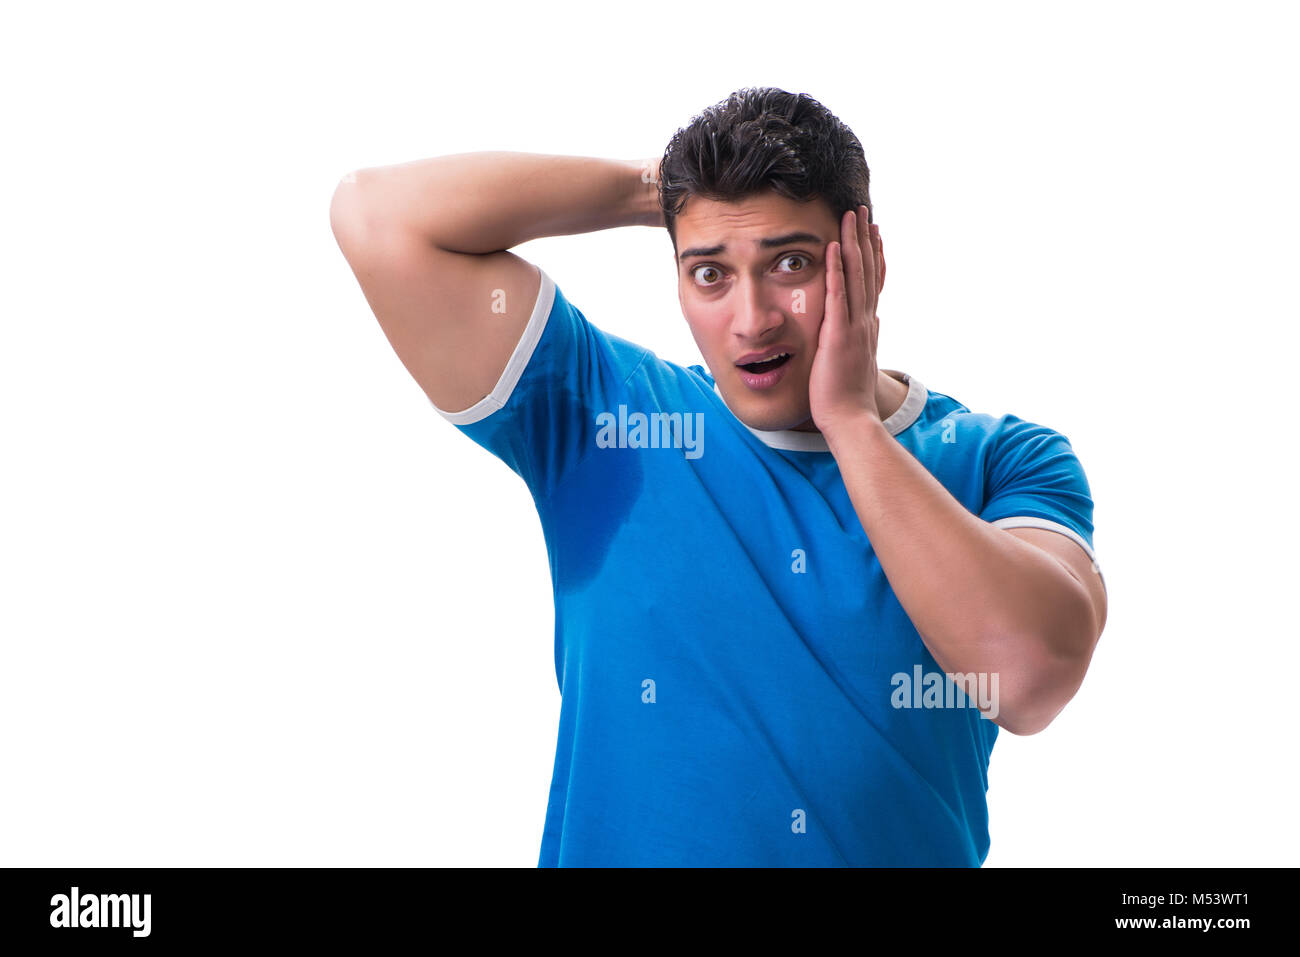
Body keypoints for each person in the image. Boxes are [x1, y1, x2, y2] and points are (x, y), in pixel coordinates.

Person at [328, 87, 1108, 867]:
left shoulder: (1001, 459)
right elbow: (377, 217)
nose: (752, 317)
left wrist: (852, 424)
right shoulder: (612, 417)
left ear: (867, 255)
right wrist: (654, 188)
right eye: (710, 273)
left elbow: (1029, 677)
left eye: (790, 263)